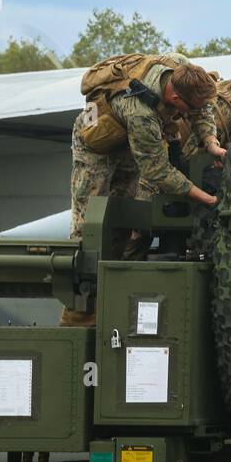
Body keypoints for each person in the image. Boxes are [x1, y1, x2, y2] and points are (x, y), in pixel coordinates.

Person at [62, 51, 219, 326]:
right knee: (90, 228)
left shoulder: (183, 70)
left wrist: (211, 141)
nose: (189, 114)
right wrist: (203, 197)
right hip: (95, 141)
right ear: (175, 99)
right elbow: (157, 170)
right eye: (185, 109)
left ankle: (112, 305)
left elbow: (202, 108)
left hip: (128, 143)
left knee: (122, 217)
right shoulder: (141, 112)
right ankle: (78, 315)